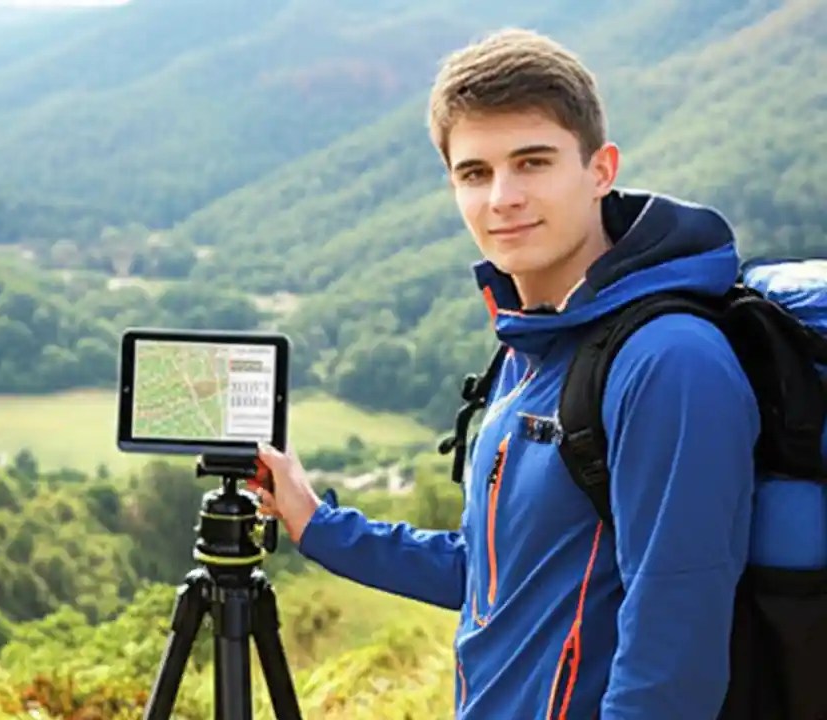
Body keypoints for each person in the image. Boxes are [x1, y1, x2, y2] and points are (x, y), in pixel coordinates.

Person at [253, 27, 759, 719]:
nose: (502, 197)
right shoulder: (532, 345)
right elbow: (498, 574)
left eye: (533, 162)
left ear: (600, 169)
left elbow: (674, 658)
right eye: (475, 173)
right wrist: (316, 523)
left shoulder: (668, 363)